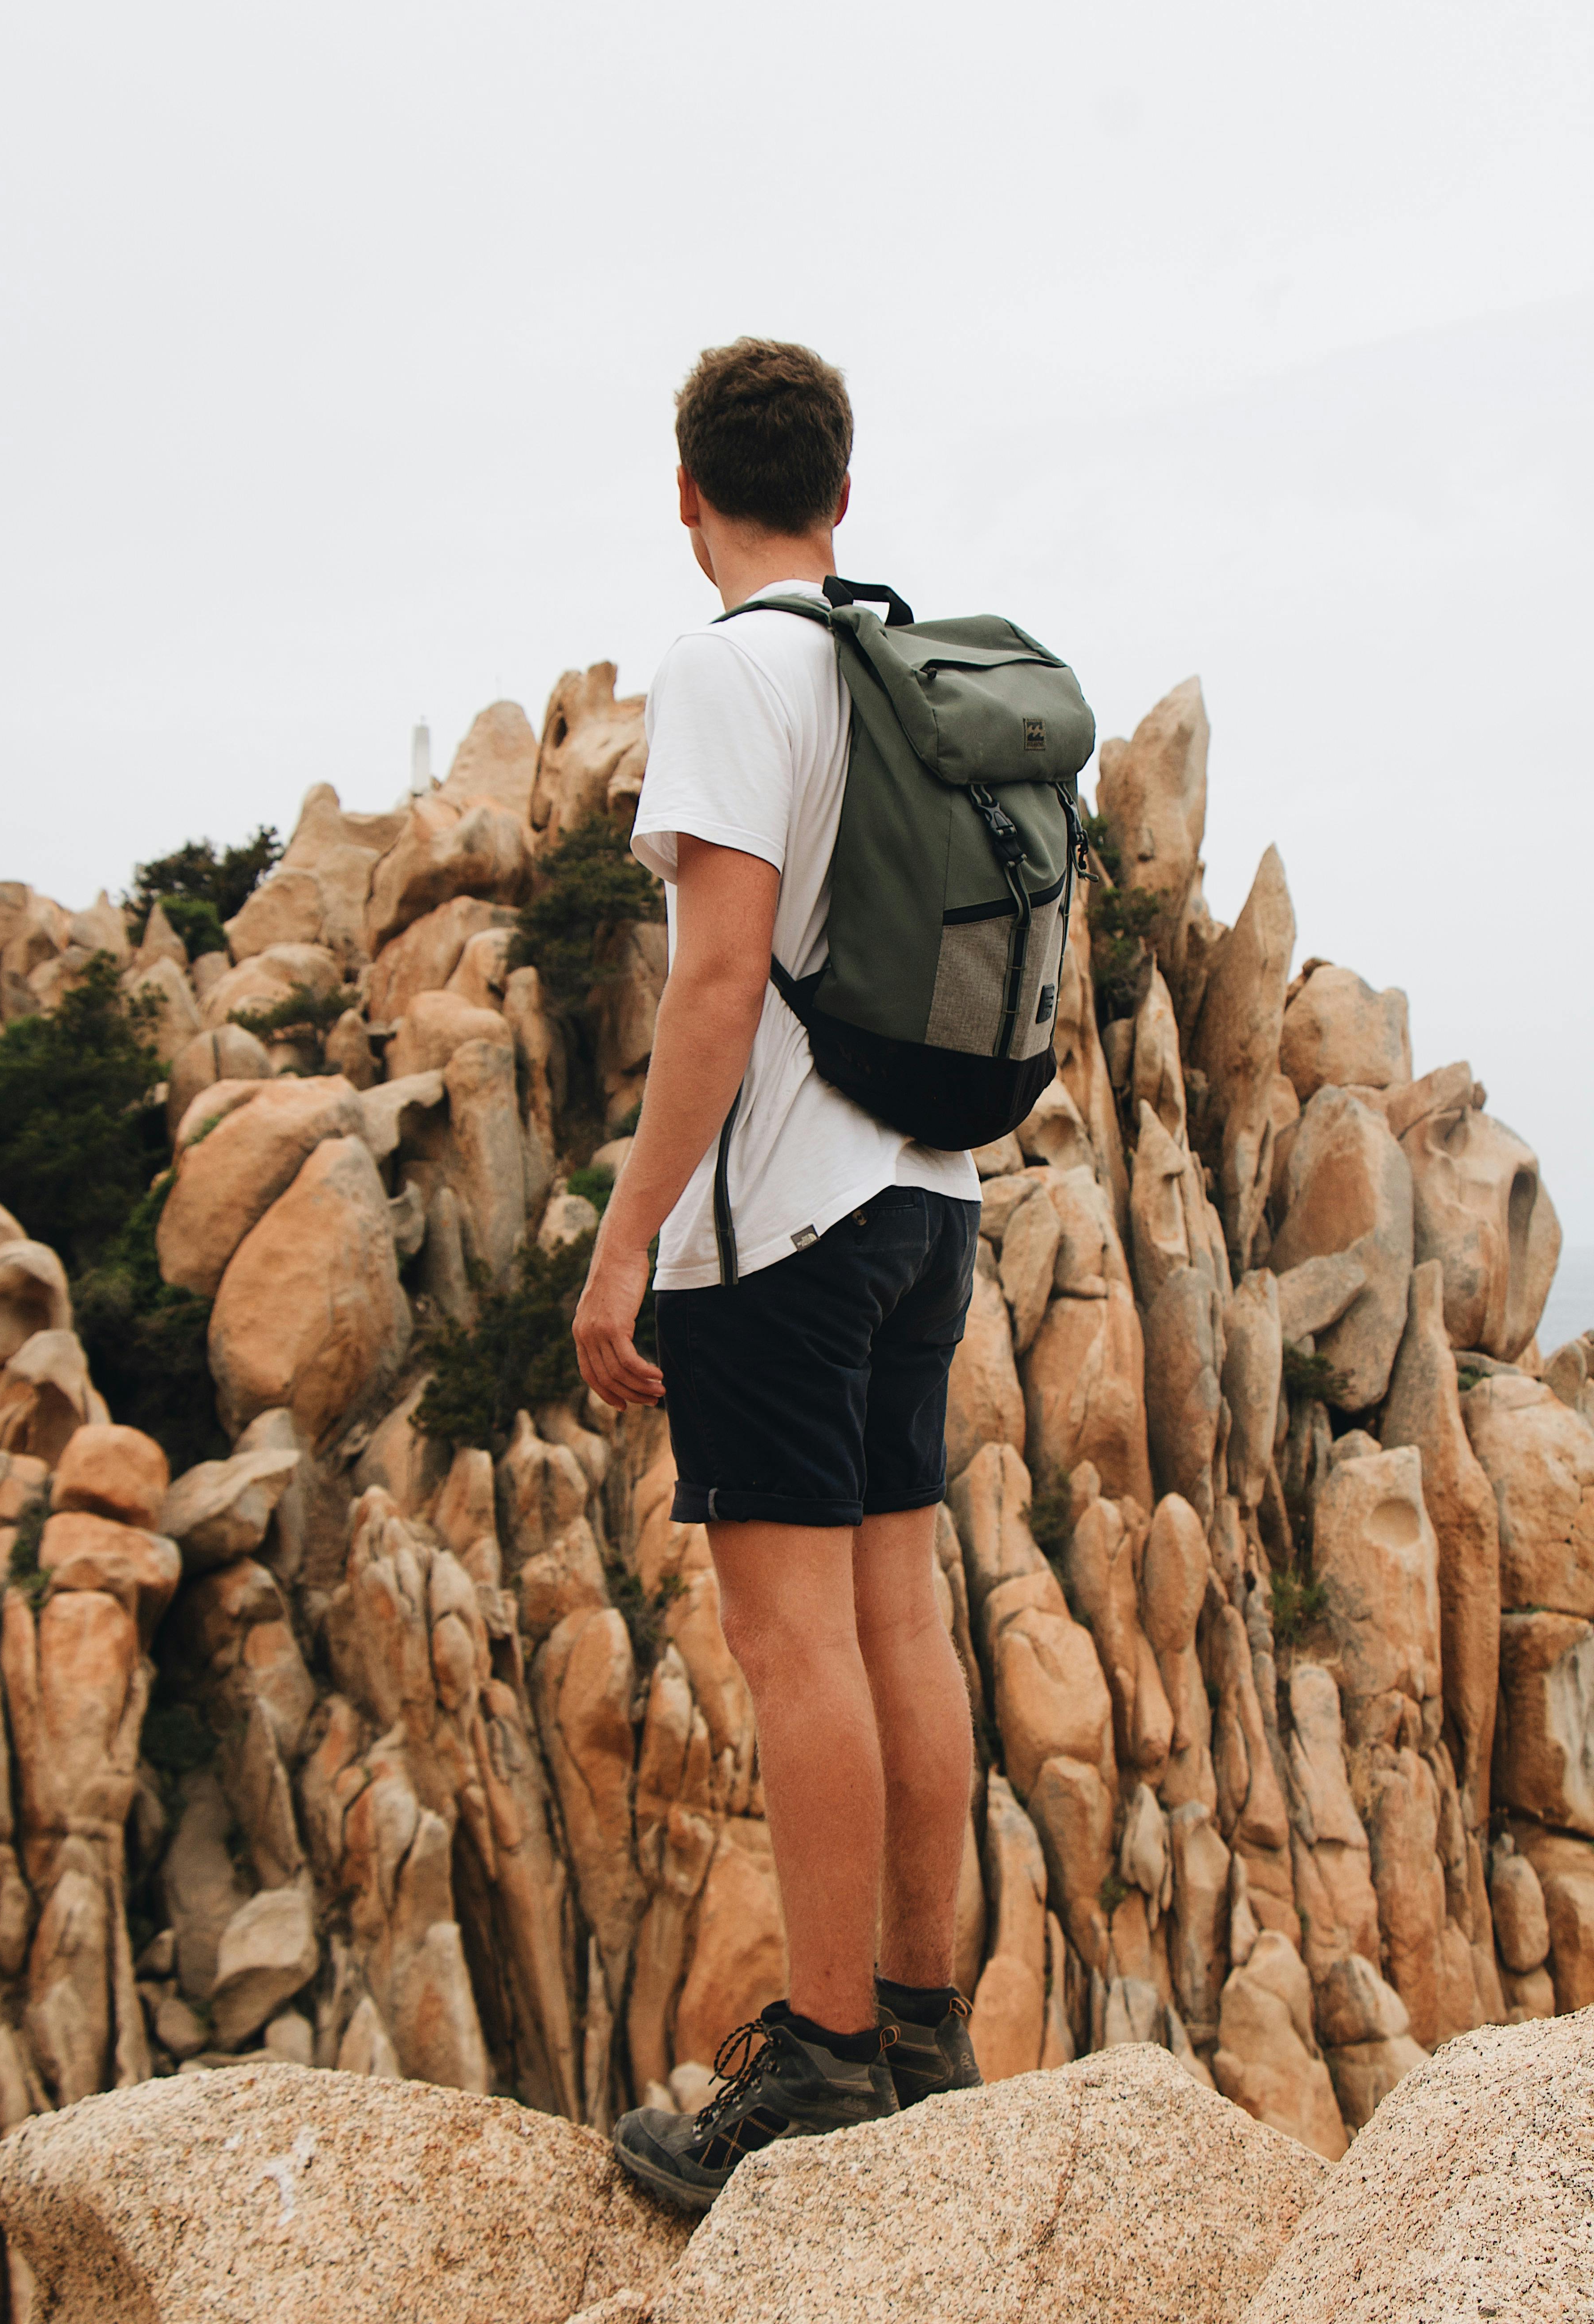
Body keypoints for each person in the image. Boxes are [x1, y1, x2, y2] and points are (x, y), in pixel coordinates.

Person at [573, 337, 982, 2213]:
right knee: (904, 1622)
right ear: (839, 488)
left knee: (791, 1636)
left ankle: (817, 2067)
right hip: (932, 1199)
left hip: (785, 1231)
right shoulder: (890, 667)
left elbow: (718, 983)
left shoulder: (734, 670)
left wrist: (626, 1236)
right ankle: (917, 2025)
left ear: (689, 498)